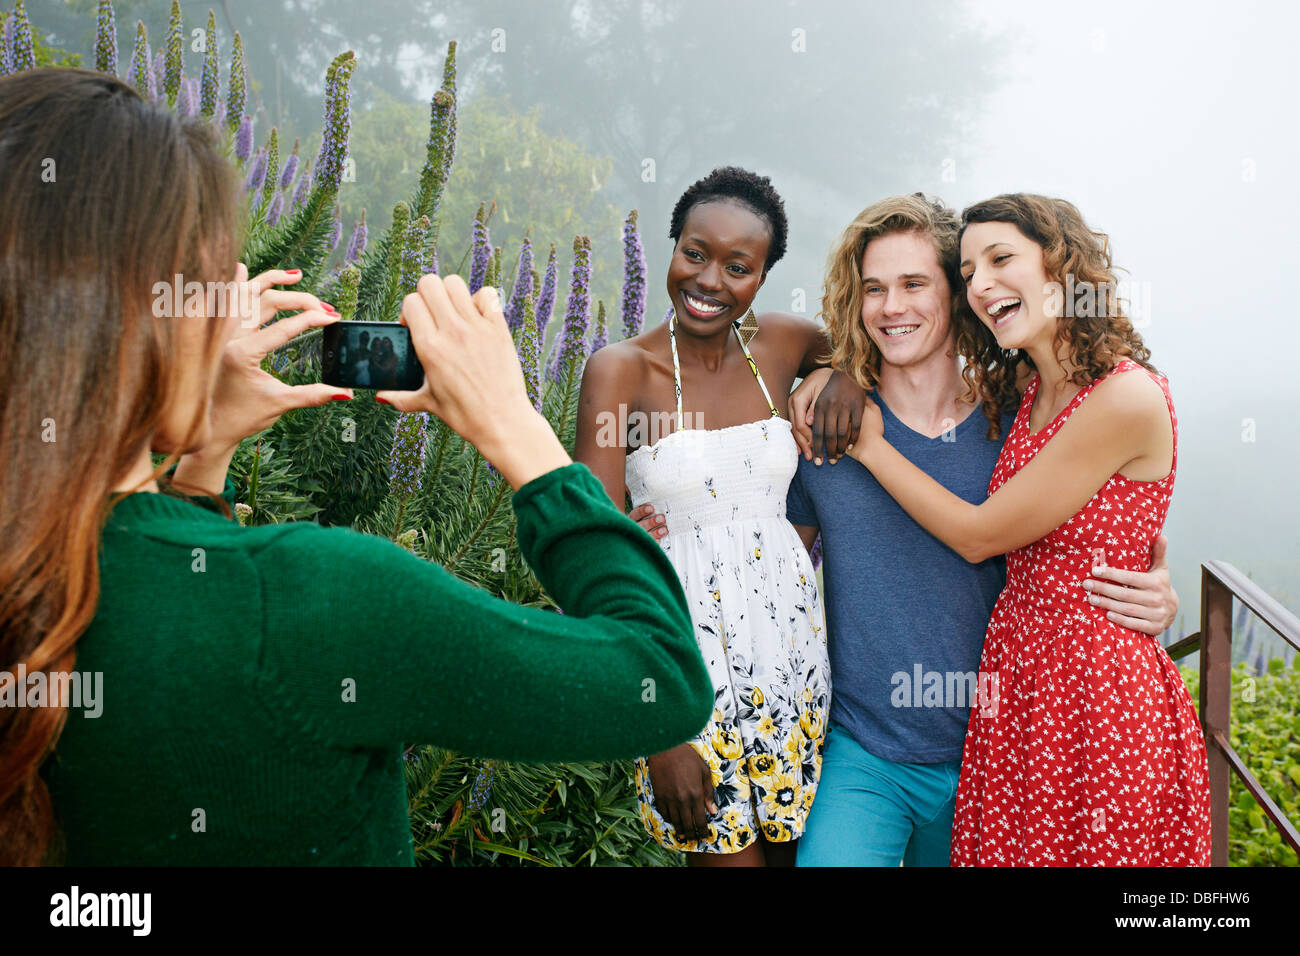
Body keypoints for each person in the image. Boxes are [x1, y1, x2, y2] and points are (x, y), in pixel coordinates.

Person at [0, 68, 713, 866]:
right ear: (156, 323)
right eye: (214, 281)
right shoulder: (315, 600)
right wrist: (519, 430)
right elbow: (659, 676)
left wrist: (199, 456)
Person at [657, 193, 1179, 867]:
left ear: (954, 298)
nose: (892, 306)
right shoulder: (821, 431)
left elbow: (1086, 529)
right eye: (874, 288)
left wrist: (1154, 589)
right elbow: (760, 572)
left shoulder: (1019, 422)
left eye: (914, 285)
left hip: (1002, 754)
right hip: (865, 753)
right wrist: (668, 533)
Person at [833, 193, 1209, 865]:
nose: (982, 284)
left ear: (1061, 266)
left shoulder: (1123, 394)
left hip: (1094, 694)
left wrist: (867, 446)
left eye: (1001, 259)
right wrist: (820, 373)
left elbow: (981, 536)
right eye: (970, 270)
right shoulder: (1027, 392)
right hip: (1021, 692)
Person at [575, 167, 833, 866]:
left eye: (738, 266)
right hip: (686, 673)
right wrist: (659, 728)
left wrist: (835, 377)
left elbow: (872, 353)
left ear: (763, 277)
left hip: (792, 662)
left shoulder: (782, 345)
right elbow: (595, 561)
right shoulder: (619, 371)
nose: (710, 280)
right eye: (695, 253)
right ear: (672, 248)